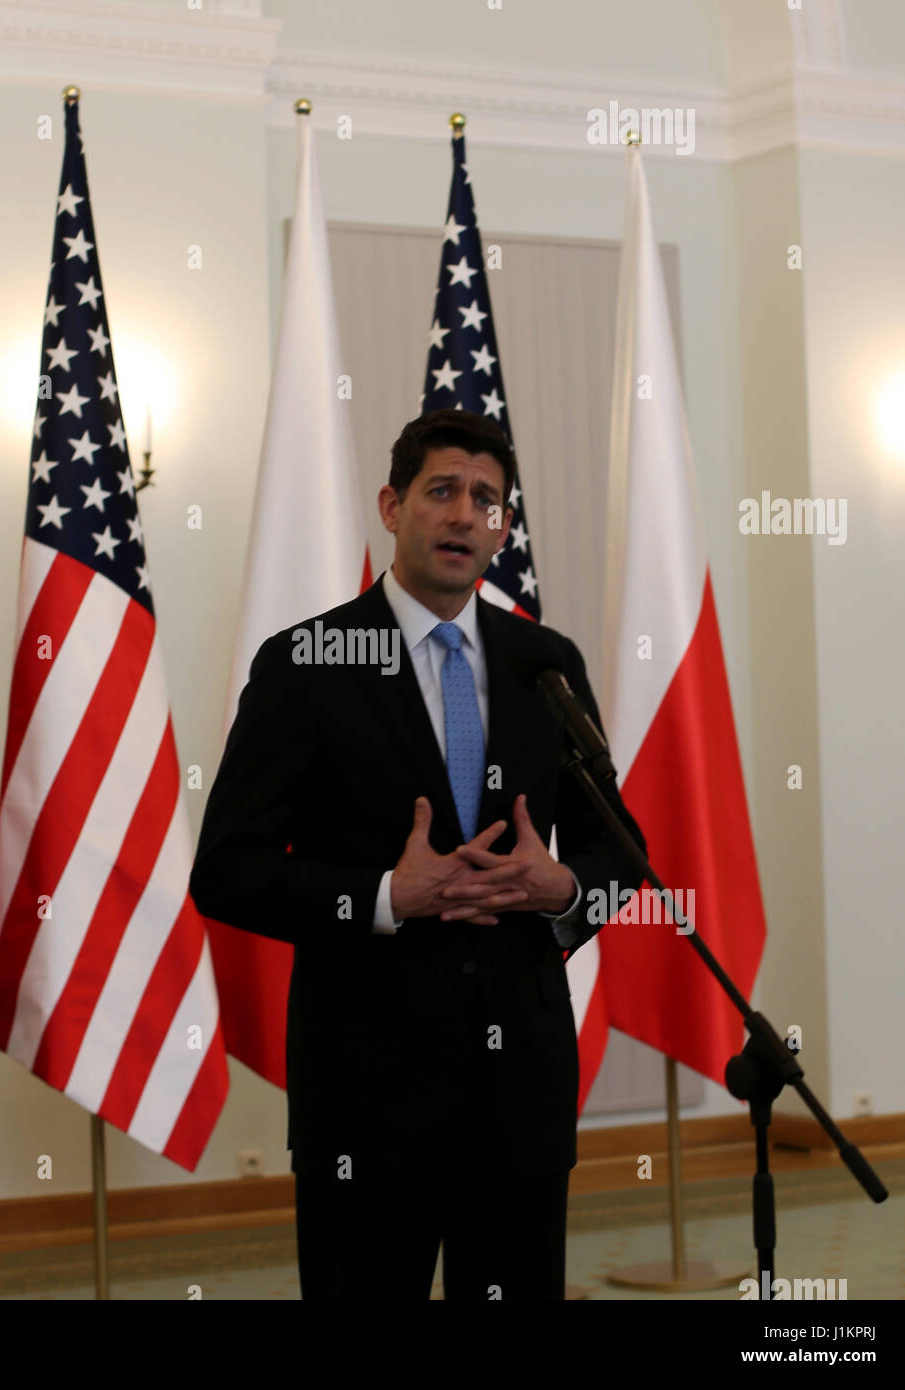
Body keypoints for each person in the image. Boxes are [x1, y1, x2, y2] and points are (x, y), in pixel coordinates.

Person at [189, 409, 647, 1301]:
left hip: (519, 1092)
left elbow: (618, 850)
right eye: (441, 491)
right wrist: (384, 896)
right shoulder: (307, 662)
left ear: (503, 528)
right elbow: (227, 868)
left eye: (486, 501)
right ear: (391, 506)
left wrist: (561, 889)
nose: (464, 515)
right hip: (367, 1096)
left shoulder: (542, 664)